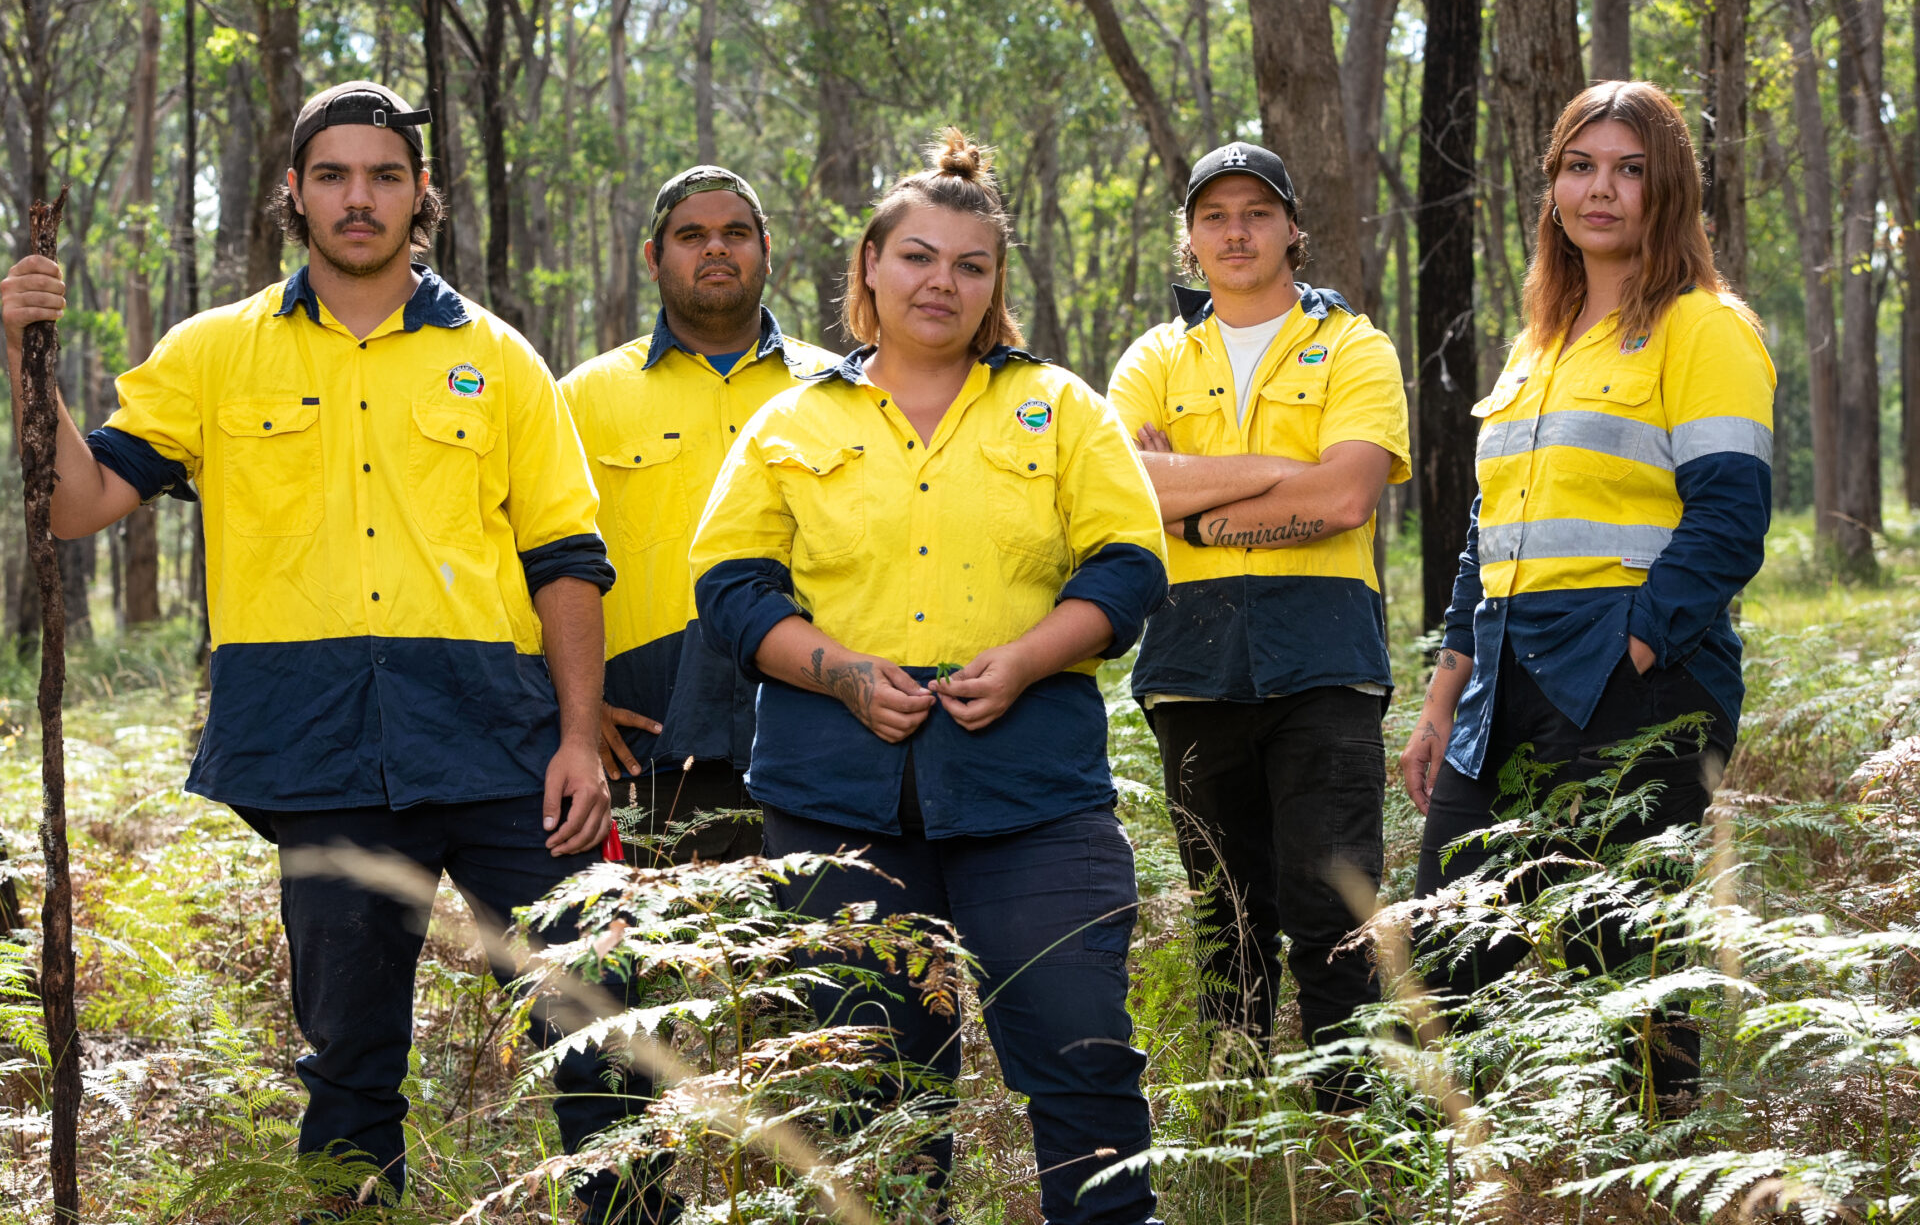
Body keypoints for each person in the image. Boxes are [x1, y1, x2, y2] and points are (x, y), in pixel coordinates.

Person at [0, 80, 673, 1222]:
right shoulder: (217, 352)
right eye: (332, 176)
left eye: (383, 175)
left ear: (422, 196)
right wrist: (29, 353)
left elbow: (566, 557)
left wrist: (574, 735)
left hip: (501, 742)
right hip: (321, 753)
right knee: (350, 1065)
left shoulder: (499, 359)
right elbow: (76, 504)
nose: (357, 199)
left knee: (600, 1027)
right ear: (295, 196)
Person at [690, 130, 1170, 1225]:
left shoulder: (1059, 407)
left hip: (1034, 801)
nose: (939, 282)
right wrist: (843, 671)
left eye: (969, 263)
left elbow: (1130, 564)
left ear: (997, 281)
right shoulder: (794, 420)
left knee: (1084, 1071)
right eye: (915, 256)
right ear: (868, 265)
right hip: (833, 805)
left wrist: (1031, 653)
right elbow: (729, 589)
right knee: (869, 1104)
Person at [1398, 79, 1775, 1110]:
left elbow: (1728, 520)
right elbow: (1490, 538)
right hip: (1501, 686)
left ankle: (1651, 1181)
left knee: (1632, 973)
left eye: (1628, 168)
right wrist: (1443, 696)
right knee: (1446, 961)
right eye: (1578, 165)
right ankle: (1470, 1183)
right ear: (1551, 187)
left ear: (1668, 191)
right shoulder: (1535, 345)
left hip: (1631, 683)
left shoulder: (1704, 328)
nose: (1599, 189)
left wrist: (1634, 649)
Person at [1105, 141, 1410, 1106]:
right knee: (1225, 916)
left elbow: (1350, 494)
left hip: (1325, 657)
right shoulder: (1154, 357)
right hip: (1192, 660)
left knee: (1332, 908)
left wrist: (1195, 507)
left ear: (1292, 228)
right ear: (1190, 239)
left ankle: (1343, 1129)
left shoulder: (1354, 344)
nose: (1236, 232)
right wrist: (1287, 473)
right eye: (1214, 216)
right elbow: (1125, 486)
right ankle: (1239, 1129)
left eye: (1256, 212)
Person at [560, 166, 835, 864]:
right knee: (663, 968)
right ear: (654, 258)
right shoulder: (582, 399)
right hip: (653, 749)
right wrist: (571, 713)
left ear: (767, 251)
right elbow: (530, 560)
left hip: (825, 734)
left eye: (735, 233)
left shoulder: (842, 388)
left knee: (825, 963)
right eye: (691, 235)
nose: (716, 248)